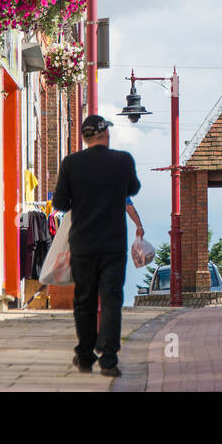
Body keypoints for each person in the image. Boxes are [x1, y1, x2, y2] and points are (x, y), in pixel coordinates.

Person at [51, 115, 141, 377]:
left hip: (83, 245)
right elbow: (133, 189)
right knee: (112, 300)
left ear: (84, 137)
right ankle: (109, 360)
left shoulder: (71, 164)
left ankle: (85, 355)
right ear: (105, 134)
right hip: (113, 245)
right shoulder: (123, 161)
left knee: (85, 301)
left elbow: (60, 203)